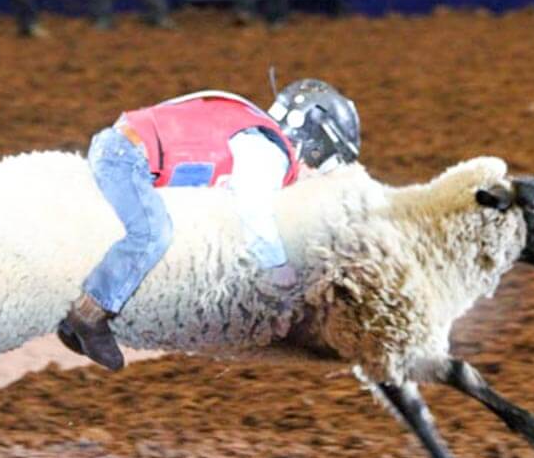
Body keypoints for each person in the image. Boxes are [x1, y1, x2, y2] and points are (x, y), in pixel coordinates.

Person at [60, 79, 361, 370]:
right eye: (327, 163)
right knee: (153, 234)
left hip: (128, 155)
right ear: (313, 144)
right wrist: (279, 269)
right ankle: (88, 316)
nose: (317, 175)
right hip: (125, 157)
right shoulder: (269, 152)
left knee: (171, 238)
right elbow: (253, 210)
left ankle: (84, 317)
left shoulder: (252, 129)